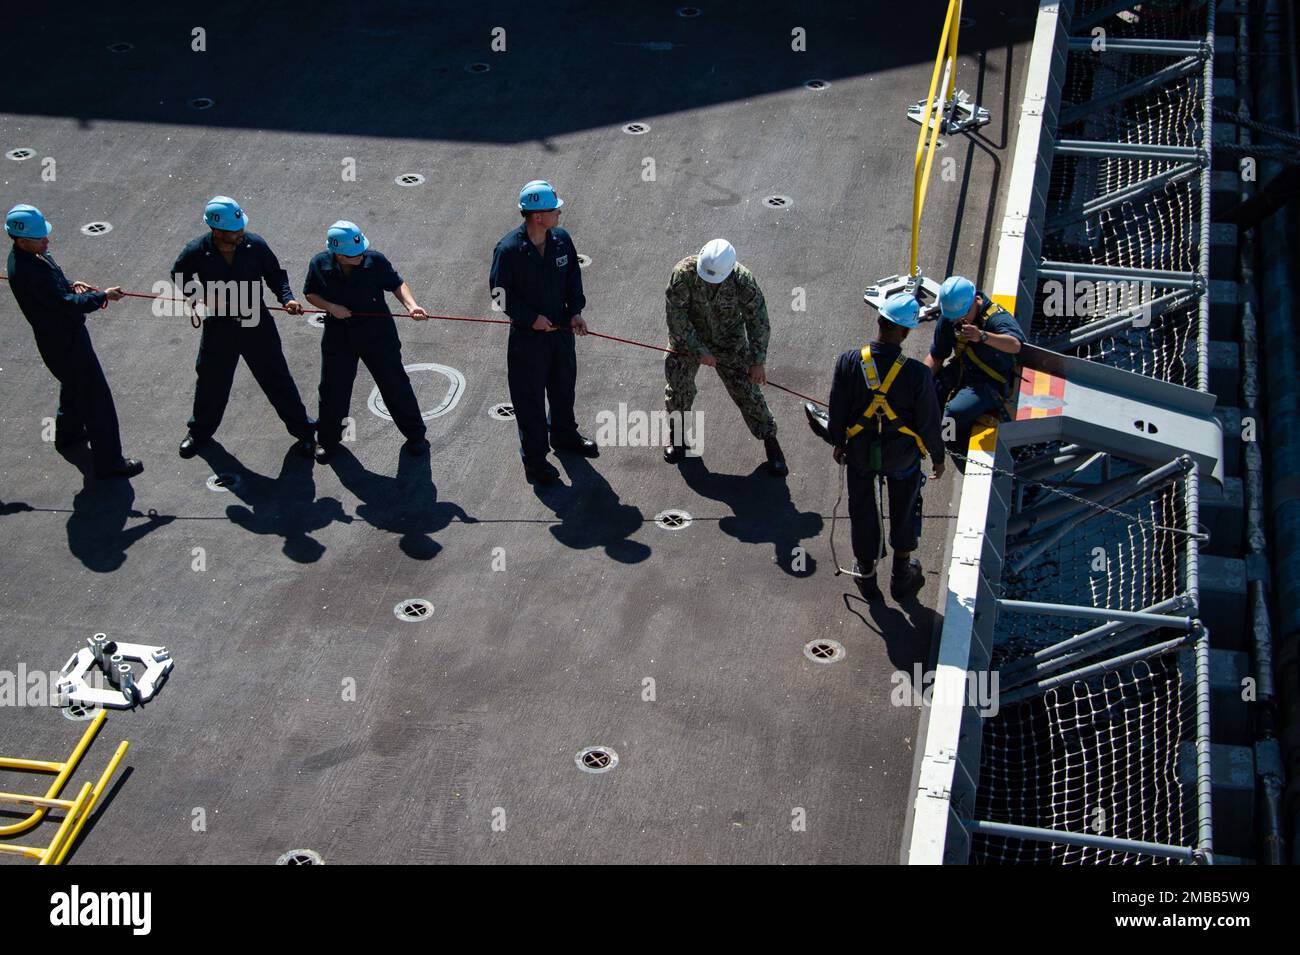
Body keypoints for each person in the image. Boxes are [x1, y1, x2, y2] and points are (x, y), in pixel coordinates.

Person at [817, 292, 945, 601]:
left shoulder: (849, 361)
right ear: (906, 332)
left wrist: (839, 442)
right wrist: (938, 458)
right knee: (905, 509)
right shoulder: (916, 373)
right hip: (902, 457)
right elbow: (929, 422)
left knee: (862, 508)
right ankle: (901, 576)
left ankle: (866, 572)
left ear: (879, 321)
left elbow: (838, 408)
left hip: (860, 453)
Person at [5, 203, 143, 479]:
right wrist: (103, 296)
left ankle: (68, 435)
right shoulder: (29, 272)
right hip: (65, 341)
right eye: (40, 238)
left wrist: (70, 284)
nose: (47, 240)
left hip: (60, 340)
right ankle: (109, 462)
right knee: (97, 400)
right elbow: (66, 304)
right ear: (22, 241)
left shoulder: (32, 258)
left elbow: (58, 286)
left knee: (74, 385)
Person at [171, 196, 316, 459]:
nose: (240, 233)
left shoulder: (255, 246)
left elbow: (275, 275)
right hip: (219, 325)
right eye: (234, 231)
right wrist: (199, 296)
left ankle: (304, 432)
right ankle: (199, 433)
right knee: (211, 380)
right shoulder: (196, 251)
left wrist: (287, 298)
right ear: (216, 231)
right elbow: (179, 273)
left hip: (256, 322)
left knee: (277, 379)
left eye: (241, 228)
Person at [489, 180, 597, 485]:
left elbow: (573, 277)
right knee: (530, 401)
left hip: (561, 332)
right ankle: (536, 462)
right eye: (554, 209)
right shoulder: (508, 250)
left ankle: (564, 435)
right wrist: (530, 318)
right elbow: (499, 295)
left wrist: (576, 311)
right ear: (538, 216)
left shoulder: (561, 239)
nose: (559, 212)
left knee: (564, 388)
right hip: (528, 340)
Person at [303, 221, 431, 464]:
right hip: (339, 335)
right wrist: (331, 307)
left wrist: (411, 305)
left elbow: (397, 284)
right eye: (354, 254)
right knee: (333, 389)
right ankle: (328, 440)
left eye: (362, 251)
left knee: (394, 383)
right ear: (338, 254)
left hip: (378, 334)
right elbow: (310, 293)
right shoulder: (319, 264)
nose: (361, 256)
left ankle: (416, 436)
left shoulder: (375, 261)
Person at [662, 239, 787, 476]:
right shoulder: (683, 274)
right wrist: (699, 350)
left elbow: (758, 321)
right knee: (678, 387)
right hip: (688, 340)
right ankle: (677, 436)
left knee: (747, 391)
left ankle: (770, 439)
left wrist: (757, 361)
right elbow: (676, 318)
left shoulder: (743, 281)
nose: (710, 285)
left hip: (729, 341)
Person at [925, 275, 1025, 461]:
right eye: (955, 319)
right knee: (930, 392)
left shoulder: (996, 318)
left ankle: (956, 450)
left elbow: (1015, 344)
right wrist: (920, 382)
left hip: (989, 381)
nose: (959, 322)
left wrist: (983, 336)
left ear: (974, 302)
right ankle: (936, 436)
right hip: (964, 369)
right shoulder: (950, 318)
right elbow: (937, 356)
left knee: (953, 414)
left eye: (962, 317)